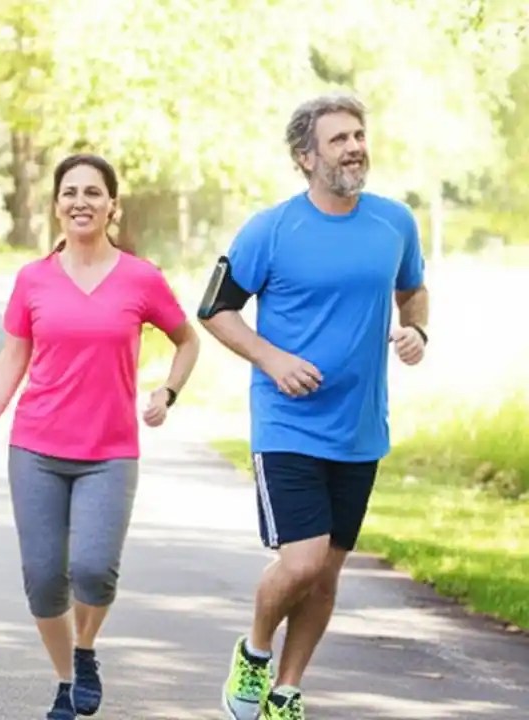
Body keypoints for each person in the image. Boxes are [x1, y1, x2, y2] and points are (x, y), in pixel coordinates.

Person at [198, 94, 428, 720]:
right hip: (287, 424)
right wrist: (272, 359)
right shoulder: (271, 230)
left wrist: (417, 332)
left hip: (360, 430)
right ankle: (254, 652)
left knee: (325, 576)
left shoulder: (394, 223)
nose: (355, 147)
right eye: (338, 140)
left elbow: (413, 290)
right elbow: (215, 309)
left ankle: (287, 691)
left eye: (358, 135)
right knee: (300, 561)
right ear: (305, 157)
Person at [0, 153, 201, 720]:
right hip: (37, 448)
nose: (81, 202)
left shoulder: (142, 278)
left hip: (109, 453)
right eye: (70, 192)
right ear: (55, 204)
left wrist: (167, 392)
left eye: (94, 193)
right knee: (44, 579)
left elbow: (188, 341)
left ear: (112, 206)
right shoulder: (33, 278)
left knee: (94, 569)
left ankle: (85, 649)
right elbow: (12, 359)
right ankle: (67, 680)